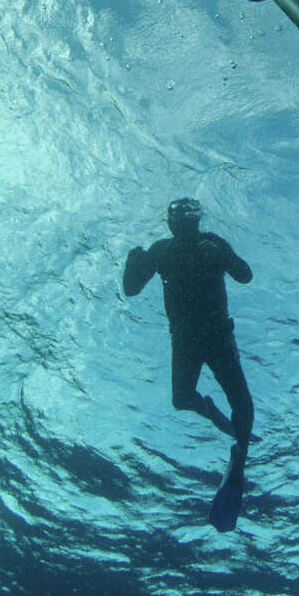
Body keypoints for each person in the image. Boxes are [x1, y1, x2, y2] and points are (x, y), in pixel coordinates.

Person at [123, 198, 255, 529]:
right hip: (185, 339)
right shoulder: (161, 251)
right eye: (176, 218)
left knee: (243, 405)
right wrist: (133, 263)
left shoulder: (213, 243)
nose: (180, 223)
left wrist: (225, 256)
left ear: (195, 221)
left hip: (218, 337)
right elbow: (131, 289)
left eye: (186, 217)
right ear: (170, 223)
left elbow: (245, 275)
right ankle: (211, 412)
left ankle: (239, 456)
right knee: (182, 399)